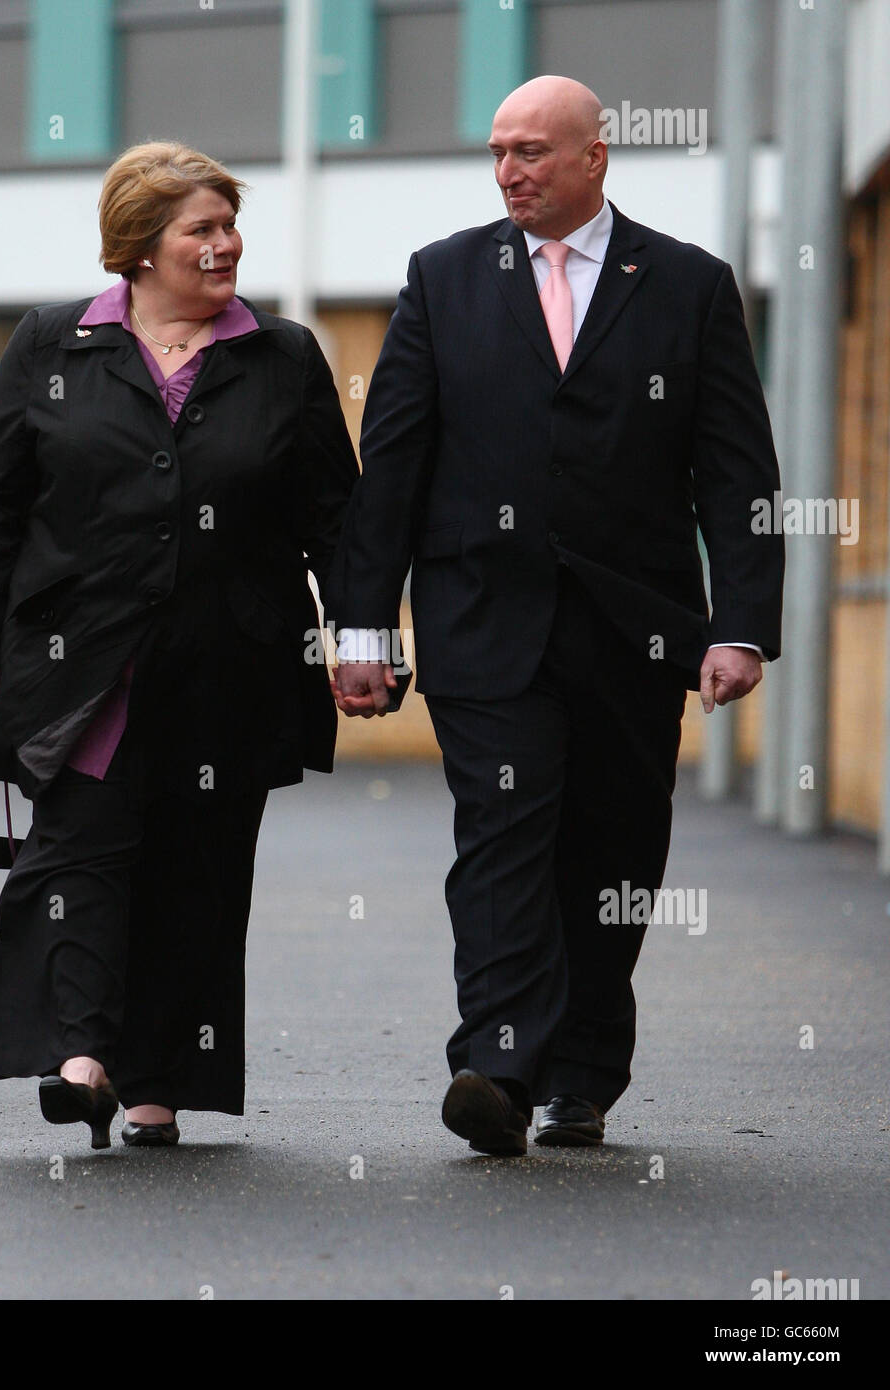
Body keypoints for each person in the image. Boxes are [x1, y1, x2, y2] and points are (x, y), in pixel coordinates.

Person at [331, 77, 785, 1155]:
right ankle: (493, 1061)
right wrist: (359, 627)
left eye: (531, 151)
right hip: (483, 623)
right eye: (496, 152)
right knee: (500, 835)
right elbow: (390, 463)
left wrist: (739, 623)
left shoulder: (686, 285)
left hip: (633, 631)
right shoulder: (442, 279)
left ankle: (577, 1072)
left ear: (594, 157)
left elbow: (734, 472)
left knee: (611, 851)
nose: (508, 172)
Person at [0, 141, 358, 1149]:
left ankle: (156, 1082)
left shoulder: (282, 356)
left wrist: (359, 638)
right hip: (81, 666)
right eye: (199, 231)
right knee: (78, 853)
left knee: (196, 872)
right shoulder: (52, 345)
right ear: (138, 250)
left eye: (228, 226)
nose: (224, 247)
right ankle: (81, 1057)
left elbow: (336, 519)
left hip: (232, 665)